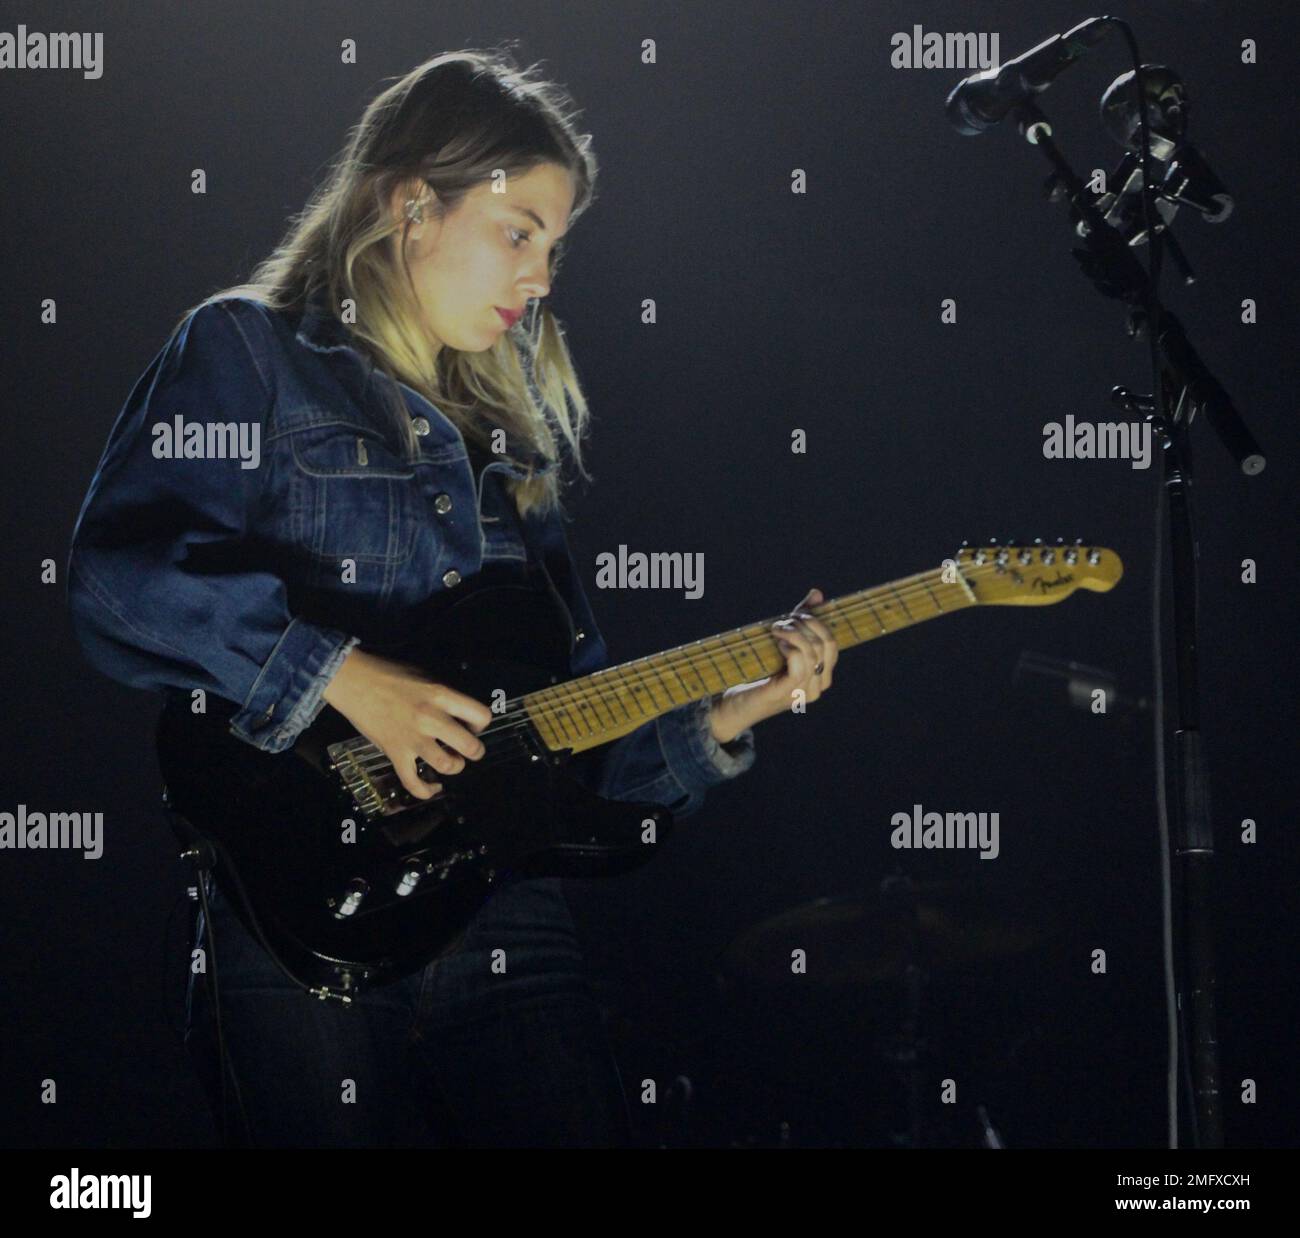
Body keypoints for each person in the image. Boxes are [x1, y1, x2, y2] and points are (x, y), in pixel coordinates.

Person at [67, 47, 839, 1148]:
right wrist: (340, 675)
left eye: (556, 249)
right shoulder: (248, 349)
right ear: (410, 204)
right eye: (518, 229)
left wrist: (722, 714)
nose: (540, 275)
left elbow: (563, 731)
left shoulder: (508, 442)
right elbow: (113, 579)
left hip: (505, 914)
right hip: (287, 914)